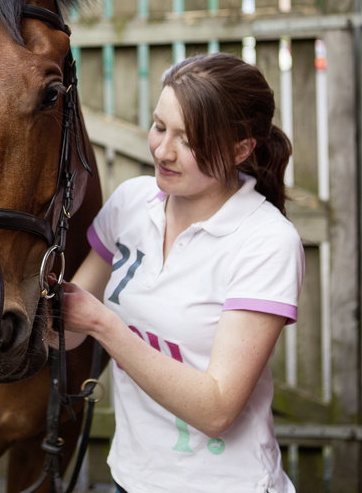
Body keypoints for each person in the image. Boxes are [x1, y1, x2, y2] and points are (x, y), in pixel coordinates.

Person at [58, 52, 304, 492]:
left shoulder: (265, 241)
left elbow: (217, 410)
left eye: (188, 140)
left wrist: (104, 325)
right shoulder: (132, 203)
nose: (163, 151)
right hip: (131, 477)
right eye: (159, 127)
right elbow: (67, 331)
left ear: (241, 149)